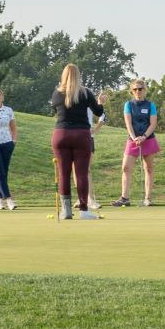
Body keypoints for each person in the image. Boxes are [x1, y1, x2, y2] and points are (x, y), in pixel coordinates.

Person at [51, 64, 104, 220]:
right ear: (78, 76)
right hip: (81, 134)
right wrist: (100, 102)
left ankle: (66, 211)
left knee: (63, 173)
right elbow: (98, 112)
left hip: (61, 134)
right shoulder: (85, 92)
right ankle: (84, 210)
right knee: (81, 173)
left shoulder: (57, 93)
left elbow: (55, 111)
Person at [114, 79, 160, 207]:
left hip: (148, 139)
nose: (138, 91)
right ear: (132, 91)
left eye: (140, 89)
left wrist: (144, 136)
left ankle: (147, 198)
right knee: (126, 167)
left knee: (149, 168)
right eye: (135, 89)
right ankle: (125, 198)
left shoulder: (151, 105)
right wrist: (134, 138)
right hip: (133, 139)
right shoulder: (128, 105)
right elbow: (128, 123)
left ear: (145, 90)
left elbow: (153, 124)